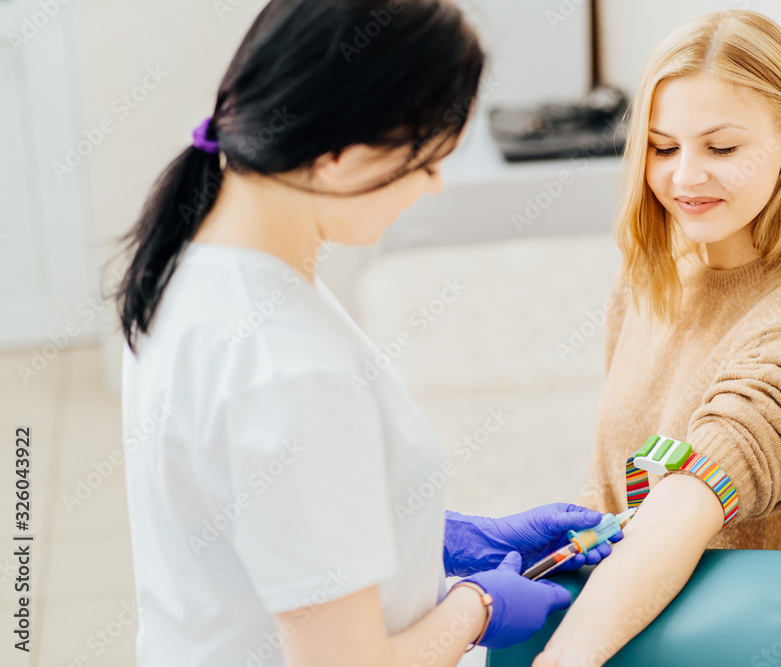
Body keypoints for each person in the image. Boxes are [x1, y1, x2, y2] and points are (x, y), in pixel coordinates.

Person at [109, 1, 619, 665]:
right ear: (338, 158)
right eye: (428, 162)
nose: (435, 187)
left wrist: (424, 533)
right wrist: (477, 606)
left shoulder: (188, 264)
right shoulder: (288, 367)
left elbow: (259, 511)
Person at [532, 9, 781, 666]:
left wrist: (563, 658)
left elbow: (698, 487)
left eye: (720, 148)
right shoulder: (652, 277)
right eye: (663, 147)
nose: (684, 177)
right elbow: (619, 482)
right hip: (635, 640)